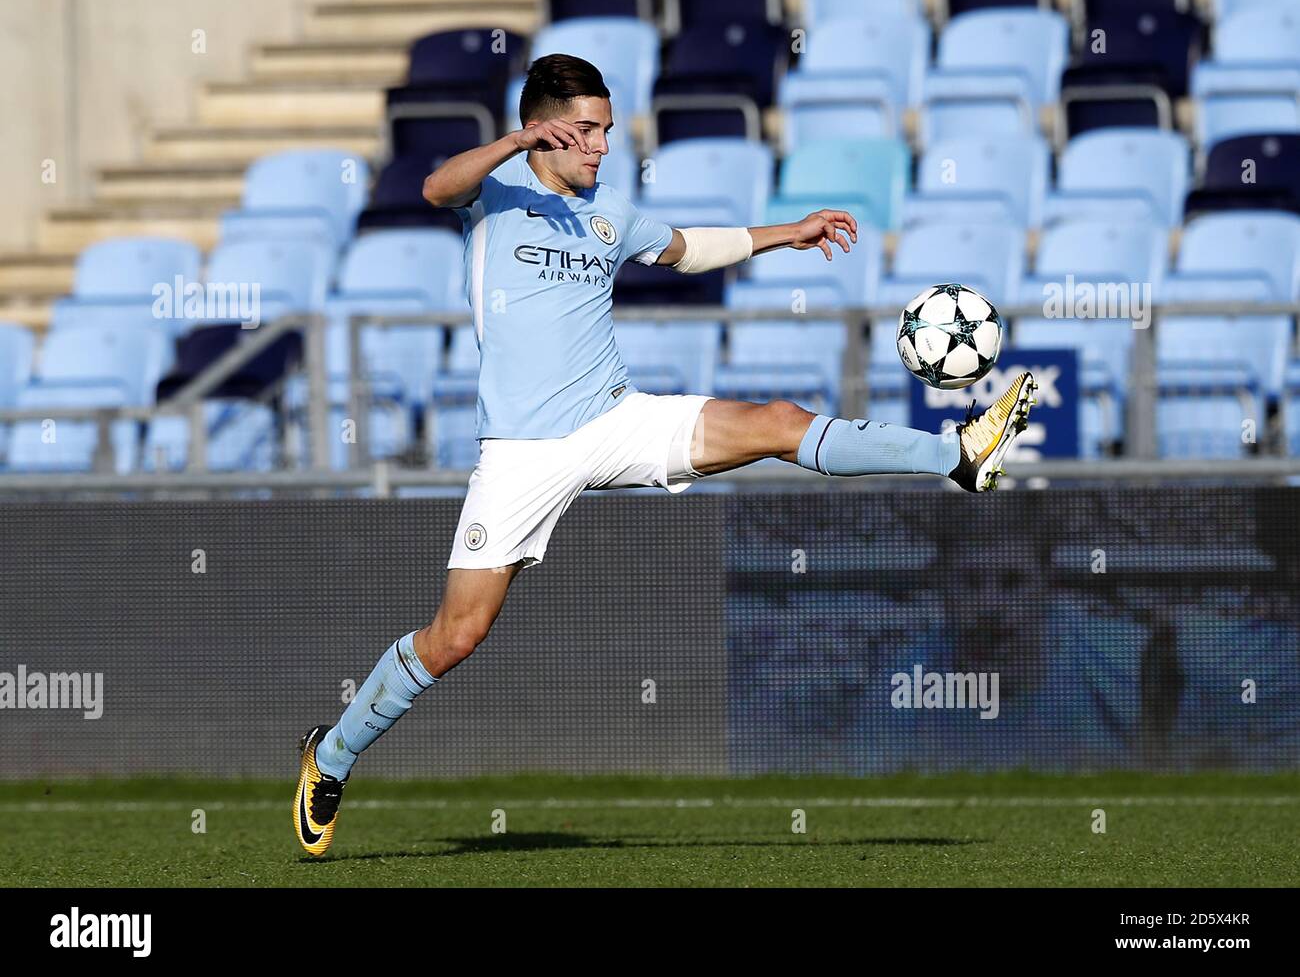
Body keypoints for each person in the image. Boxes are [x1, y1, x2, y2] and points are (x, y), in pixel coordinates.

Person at [294, 53, 1037, 856]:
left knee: (776, 420)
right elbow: (433, 187)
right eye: (586, 131)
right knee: (456, 636)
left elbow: (689, 247)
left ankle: (956, 455)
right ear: (545, 126)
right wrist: (515, 143)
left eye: (608, 131)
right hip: (521, 453)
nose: (602, 147)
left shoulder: (609, 216)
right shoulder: (497, 195)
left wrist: (788, 233)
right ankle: (329, 756)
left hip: (617, 418)